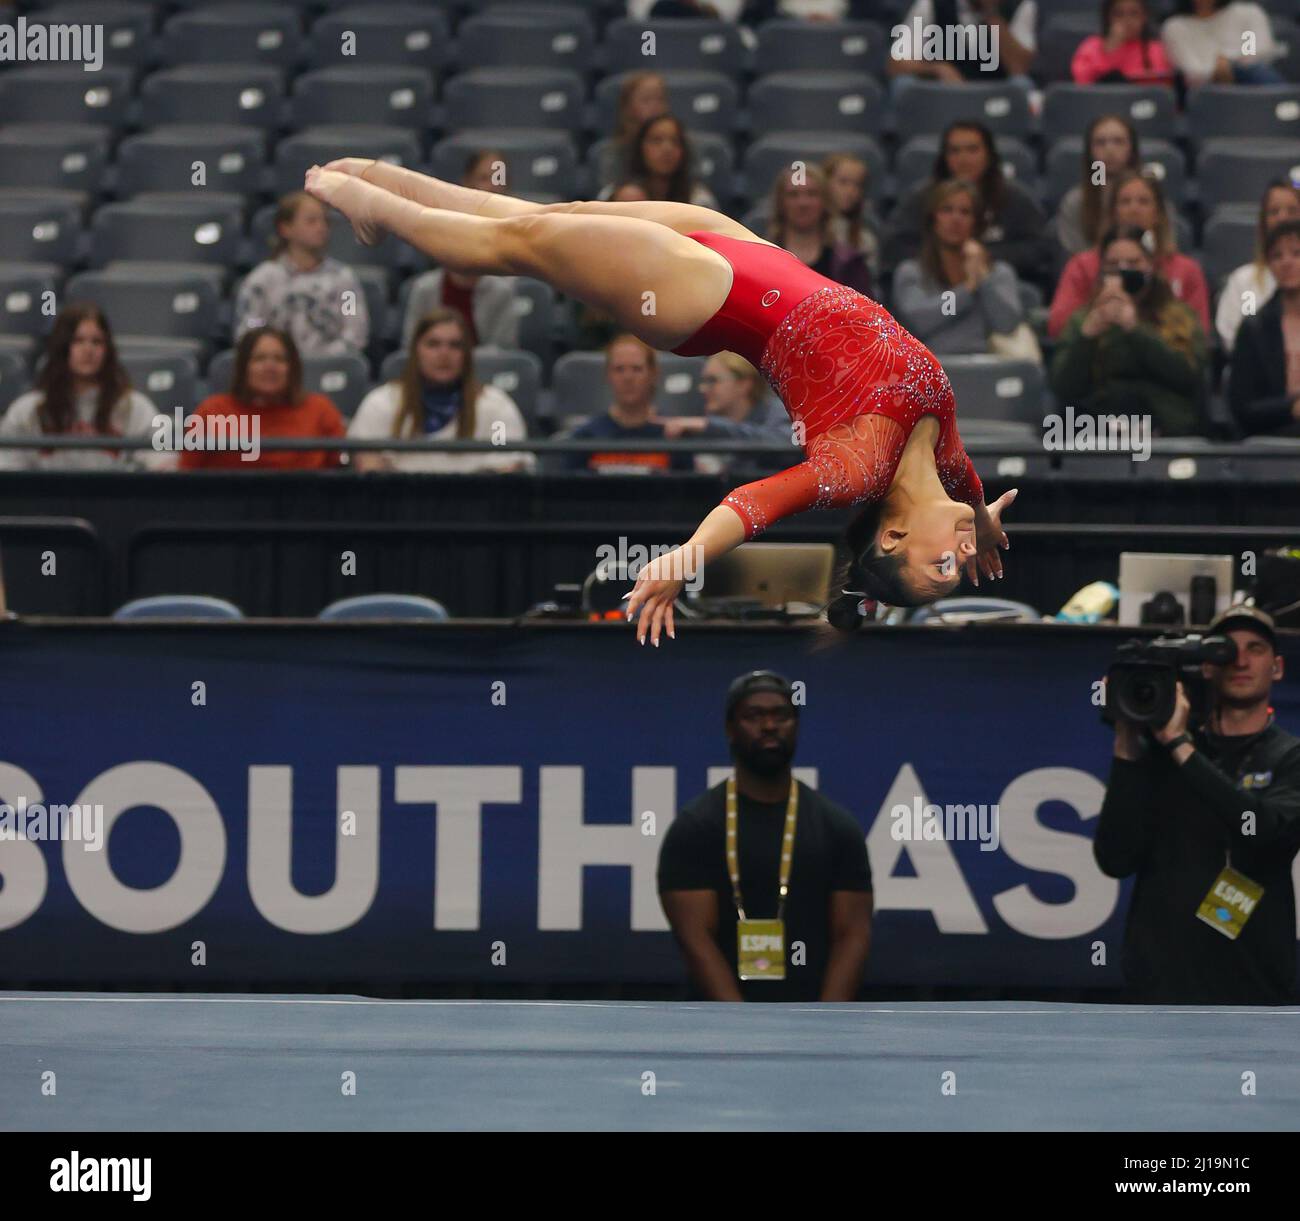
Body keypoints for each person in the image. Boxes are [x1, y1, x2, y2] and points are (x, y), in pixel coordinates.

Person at [303, 158, 1018, 644]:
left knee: (518, 245)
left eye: (941, 568)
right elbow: (966, 489)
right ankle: (384, 181)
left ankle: (373, 210)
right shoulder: (945, 454)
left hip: (704, 297)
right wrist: (979, 527)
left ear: (890, 538)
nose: (957, 555)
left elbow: (754, 503)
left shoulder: (859, 468)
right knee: (559, 215)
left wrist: (684, 560)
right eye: (958, 567)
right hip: (751, 255)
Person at [1095, 605, 1300, 1004]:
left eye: (1255, 648)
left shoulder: (1290, 758)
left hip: (1254, 985)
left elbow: (1262, 831)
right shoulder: (1161, 754)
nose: (1240, 660)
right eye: (1226, 650)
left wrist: (1180, 745)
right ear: (1207, 667)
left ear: (1276, 667)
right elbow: (1115, 859)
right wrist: (1126, 742)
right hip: (1160, 985)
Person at [658, 671, 873, 1002]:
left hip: (817, 1028)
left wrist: (830, 1026)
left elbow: (852, 936)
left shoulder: (836, 827)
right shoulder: (696, 828)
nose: (770, 726)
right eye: (754, 716)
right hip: (720, 1032)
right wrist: (742, 1028)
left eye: (781, 716)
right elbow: (695, 938)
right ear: (730, 729)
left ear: (796, 726)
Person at [1050, 225, 1208, 436]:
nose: (1123, 271)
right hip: (1097, 430)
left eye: (1133, 263)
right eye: (1113, 265)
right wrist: (1087, 337)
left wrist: (1135, 330)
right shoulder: (1084, 320)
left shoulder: (1179, 317)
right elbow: (1063, 388)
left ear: (1151, 266)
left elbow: (1190, 377)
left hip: (1165, 427)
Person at [348, 308, 533, 473]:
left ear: (466, 355)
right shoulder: (381, 403)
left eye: (455, 345)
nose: (444, 353)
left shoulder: (495, 408)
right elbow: (369, 468)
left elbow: (506, 465)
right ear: (416, 352)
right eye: (433, 344)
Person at [0, 303, 170, 472]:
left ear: (107, 350)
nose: (88, 350)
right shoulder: (27, 411)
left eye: (97, 342)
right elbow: (8, 470)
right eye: (78, 341)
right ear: (62, 348)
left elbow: (163, 463)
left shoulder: (134, 407)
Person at [1049, 170, 1210, 338]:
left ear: (1158, 213)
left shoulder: (1187, 269)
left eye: (1143, 201)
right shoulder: (1083, 265)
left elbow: (1198, 333)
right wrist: (1096, 310)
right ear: (1113, 212)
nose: (1134, 209)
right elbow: (1058, 326)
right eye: (1125, 202)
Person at [883, 121, 1049, 284]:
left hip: (995, 280)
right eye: (954, 151)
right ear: (944, 157)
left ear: (989, 155)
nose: (963, 159)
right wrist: (944, 258)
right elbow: (896, 246)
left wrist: (987, 256)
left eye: (972, 150)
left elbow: (1038, 248)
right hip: (933, 283)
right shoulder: (923, 197)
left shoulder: (1015, 197)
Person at [892, 180, 1028, 358]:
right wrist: (967, 289)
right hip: (930, 368)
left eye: (965, 212)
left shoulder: (998, 274)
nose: (956, 219)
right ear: (933, 219)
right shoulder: (912, 273)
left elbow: (1007, 324)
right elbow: (920, 322)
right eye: (946, 210)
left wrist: (983, 279)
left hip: (985, 367)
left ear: (976, 222)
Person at [181, 327, 346, 470]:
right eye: (259, 359)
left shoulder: (320, 410)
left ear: (292, 368)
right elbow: (186, 475)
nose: (270, 367)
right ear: (243, 367)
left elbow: (341, 473)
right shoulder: (211, 412)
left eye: (280, 359)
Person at [234, 191, 369, 357]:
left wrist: (319, 361)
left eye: (325, 221)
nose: (322, 228)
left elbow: (354, 333)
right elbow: (250, 329)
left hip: (327, 368)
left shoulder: (344, 281)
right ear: (285, 228)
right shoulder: (262, 280)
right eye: (311, 221)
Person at [561, 334, 694, 474]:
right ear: (608, 375)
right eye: (619, 369)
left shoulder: (674, 436)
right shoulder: (585, 437)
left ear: (653, 374)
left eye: (637, 369)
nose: (628, 378)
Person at [1053, 115, 1177, 259]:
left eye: (1118, 142)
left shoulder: (1152, 198)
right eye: (1100, 143)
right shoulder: (1076, 202)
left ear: (1132, 149)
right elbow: (1074, 259)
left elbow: (1166, 252)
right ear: (1090, 152)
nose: (1109, 149)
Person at [660, 351, 797, 476]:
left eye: (712, 380)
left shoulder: (778, 411)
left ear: (744, 384)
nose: (702, 389)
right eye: (704, 381)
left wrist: (711, 427)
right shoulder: (702, 420)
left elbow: (783, 445)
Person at [1227, 219, 1300, 438]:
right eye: (1277, 256)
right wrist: (1291, 407)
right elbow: (1244, 408)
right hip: (1275, 436)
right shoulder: (1253, 329)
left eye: (1296, 253)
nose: (1287, 262)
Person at [1216, 180, 1300, 353]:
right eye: (1274, 212)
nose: (1282, 218)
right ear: (1263, 222)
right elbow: (1232, 336)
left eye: (1292, 211)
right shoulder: (1245, 282)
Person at [765, 165, 872, 298]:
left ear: (825, 202)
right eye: (793, 195)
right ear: (780, 203)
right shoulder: (763, 262)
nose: (803, 203)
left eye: (812, 194)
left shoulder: (848, 264)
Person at [888, 0, 1038, 91]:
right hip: (943, 93)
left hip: (998, 94)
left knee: (1022, 85)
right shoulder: (931, 4)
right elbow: (896, 63)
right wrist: (936, 68)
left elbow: (1019, 69)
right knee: (903, 84)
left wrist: (990, 14)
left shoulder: (1020, 6)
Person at [601, 113, 718, 208]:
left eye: (675, 141)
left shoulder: (699, 199)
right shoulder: (617, 194)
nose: (667, 149)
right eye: (656, 140)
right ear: (640, 148)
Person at [1161, 0, 1284, 87]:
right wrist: (1219, 69)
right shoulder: (1175, 27)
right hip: (1207, 91)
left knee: (1255, 71)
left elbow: (1260, 50)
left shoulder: (1248, 14)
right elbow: (1193, 72)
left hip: (1251, 80)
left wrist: (1228, 62)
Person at [1072, 0, 1174, 86]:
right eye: (1119, 14)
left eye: (1134, 13)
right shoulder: (1091, 45)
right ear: (1108, 17)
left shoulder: (1157, 50)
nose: (1127, 20)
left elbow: (1164, 87)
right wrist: (1110, 49)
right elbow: (1082, 82)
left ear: (1144, 17)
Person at [822, 152, 882, 278]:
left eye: (857, 185)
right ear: (824, 182)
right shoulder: (809, 233)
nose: (851, 191)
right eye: (843, 182)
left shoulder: (865, 240)